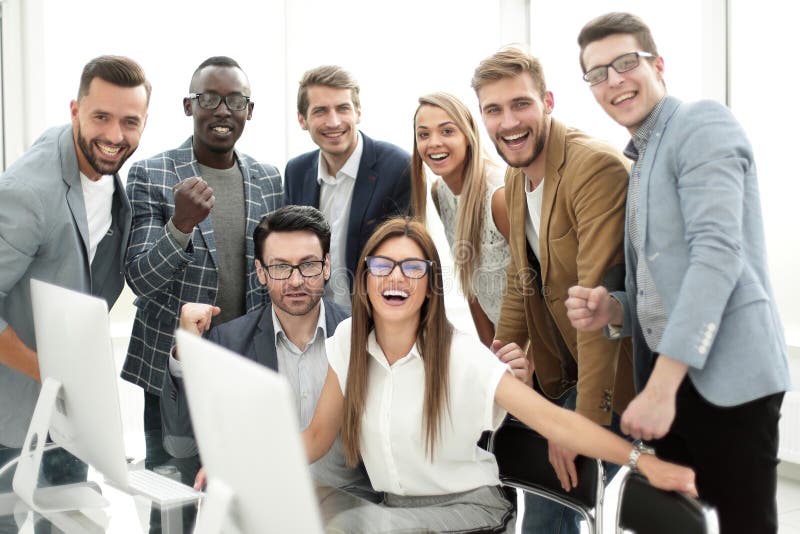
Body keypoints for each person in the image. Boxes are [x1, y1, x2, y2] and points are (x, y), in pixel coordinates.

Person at [300, 217, 695, 533]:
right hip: (394, 513)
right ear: (365, 279)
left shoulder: (460, 356)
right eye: (382, 265)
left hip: (470, 514)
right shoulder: (348, 343)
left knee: (350, 528)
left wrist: (642, 461)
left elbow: (555, 421)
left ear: (431, 284)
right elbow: (317, 437)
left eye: (413, 268)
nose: (396, 277)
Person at [567, 12, 791, 533]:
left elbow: (718, 255)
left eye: (625, 63)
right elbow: (661, 276)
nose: (613, 80)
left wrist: (662, 388)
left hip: (728, 381)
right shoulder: (641, 154)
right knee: (672, 525)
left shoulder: (701, 123)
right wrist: (613, 307)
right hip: (672, 383)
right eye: (597, 73)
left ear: (658, 65)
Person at [471, 47, 634, 533]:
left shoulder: (593, 170)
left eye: (520, 104)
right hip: (562, 376)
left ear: (548, 101)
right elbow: (523, 286)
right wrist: (498, 363)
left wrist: (578, 423)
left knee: (547, 506)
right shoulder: (516, 180)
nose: (508, 121)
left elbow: (594, 307)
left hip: (620, 380)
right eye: (493, 110)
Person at [122, 56, 283, 474]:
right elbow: (140, 278)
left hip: (246, 367)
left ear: (249, 111)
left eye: (235, 100)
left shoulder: (270, 179)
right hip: (173, 370)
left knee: (244, 495)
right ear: (188, 106)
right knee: (172, 499)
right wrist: (180, 224)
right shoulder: (150, 173)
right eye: (209, 98)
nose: (223, 110)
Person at [0, 55, 148, 489]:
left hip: (69, 424)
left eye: (130, 122)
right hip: (11, 419)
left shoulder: (114, 182)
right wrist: (48, 373)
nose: (114, 135)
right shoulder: (30, 193)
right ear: (74, 111)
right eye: (100, 117)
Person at [161, 206, 370, 495]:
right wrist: (186, 352)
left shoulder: (361, 334)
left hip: (353, 504)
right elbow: (180, 445)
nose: (296, 281)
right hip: (264, 505)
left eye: (308, 265)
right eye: (281, 267)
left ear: (327, 266)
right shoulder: (229, 343)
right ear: (261, 272)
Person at [284, 65, 411, 309]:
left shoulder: (397, 167)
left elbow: (406, 258)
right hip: (315, 320)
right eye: (320, 111)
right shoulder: (296, 172)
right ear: (302, 119)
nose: (333, 122)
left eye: (343, 108)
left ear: (358, 113)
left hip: (374, 317)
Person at [411, 92, 511, 347]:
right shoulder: (440, 193)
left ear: (468, 136)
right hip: (502, 347)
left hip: (538, 350)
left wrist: (524, 362)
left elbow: (539, 292)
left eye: (447, 131)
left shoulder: (499, 197)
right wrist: (491, 354)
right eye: (424, 134)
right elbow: (472, 286)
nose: (433, 143)